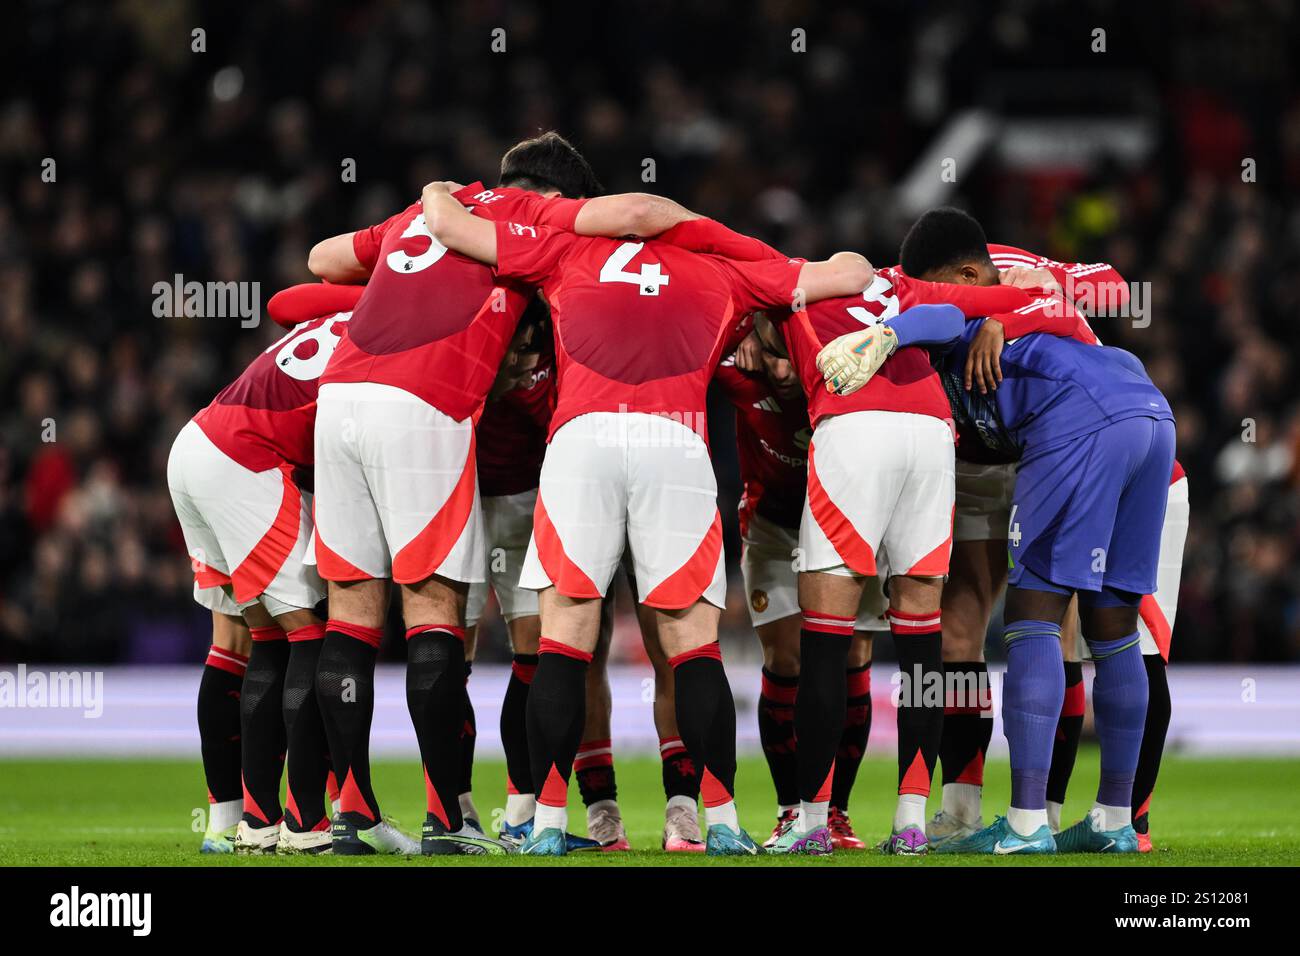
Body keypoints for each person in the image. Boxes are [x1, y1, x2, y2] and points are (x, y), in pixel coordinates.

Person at [423, 177, 875, 854]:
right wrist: (721, 236)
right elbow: (854, 273)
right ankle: (715, 823)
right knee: (692, 644)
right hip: (677, 440)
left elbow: (450, 226)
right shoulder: (729, 268)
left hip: (581, 440)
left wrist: (438, 186)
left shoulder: (561, 251)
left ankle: (546, 825)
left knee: (565, 639)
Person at [820, 298, 1175, 855]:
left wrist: (884, 336)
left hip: (1081, 423)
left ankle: (1028, 823)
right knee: (1114, 626)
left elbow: (942, 317)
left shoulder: (959, 330)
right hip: (1152, 415)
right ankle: (1114, 820)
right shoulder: (1027, 323)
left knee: (1033, 618)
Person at [169, 281, 362, 855]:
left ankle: (230, 823)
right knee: (306, 633)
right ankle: (300, 824)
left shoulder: (345, 311)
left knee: (241, 639)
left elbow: (282, 304)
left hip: (197, 440)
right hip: (246, 458)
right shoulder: (392, 336)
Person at [721, 318, 884, 850]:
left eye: (793, 355)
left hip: (846, 520)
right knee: (787, 659)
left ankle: (835, 812)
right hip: (771, 523)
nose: (785, 370)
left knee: (852, 656)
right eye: (772, 354)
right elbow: (680, 336)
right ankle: (792, 808)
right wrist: (734, 331)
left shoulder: (851, 371)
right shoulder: (739, 373)